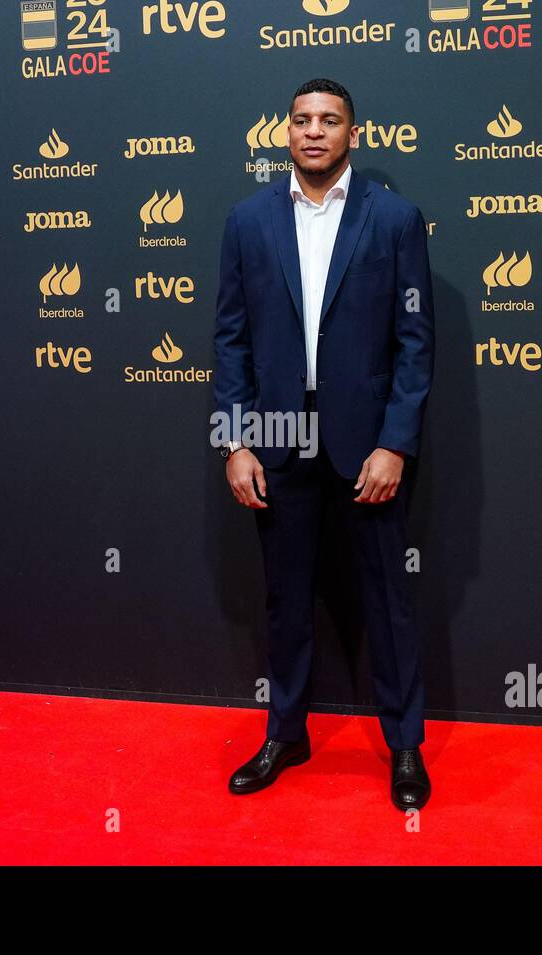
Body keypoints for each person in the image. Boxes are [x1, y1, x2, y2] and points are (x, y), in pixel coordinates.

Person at [212, 78, 435, 810]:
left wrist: (396, 443)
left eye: (330, 120)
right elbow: (231, 341)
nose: (314, 131)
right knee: (283, 600)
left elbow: (414, 343)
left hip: (364, 442)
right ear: (285, 131)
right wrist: (234, 441)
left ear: (354, 134)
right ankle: (286, 732)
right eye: (302, 120)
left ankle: (405, 746)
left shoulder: (395, 219)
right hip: (276, 439)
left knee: (388, 601)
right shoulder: (246, 222)